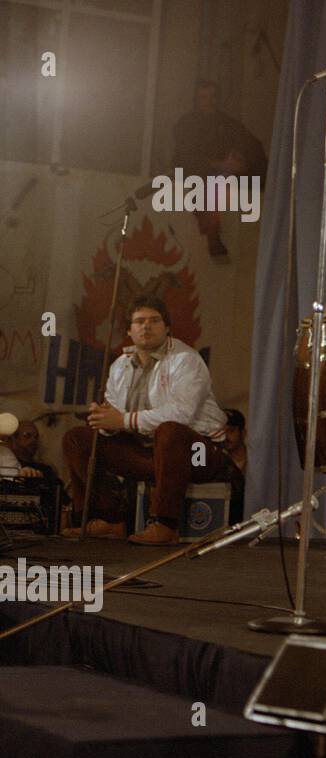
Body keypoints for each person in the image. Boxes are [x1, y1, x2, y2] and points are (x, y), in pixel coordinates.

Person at [62, 296, 232, 545]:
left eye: (154, 321)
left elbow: (182, 414)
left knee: (170, 431)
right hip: (153, 454)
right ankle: (109, 519)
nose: (146, 327)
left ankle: (165, 524)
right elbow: (117, 417)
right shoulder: (120, 365)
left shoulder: (186, 360)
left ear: (167, 327)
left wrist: (123, 420)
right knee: (77, 438)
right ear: (129, 330)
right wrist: (104, 419)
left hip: (199, 453)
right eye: (139, 321)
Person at [171, 80, 267, 260]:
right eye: (204, 97)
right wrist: (218, 164)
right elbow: (186, 156)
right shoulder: (186, 124)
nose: (209, 102)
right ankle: (212, 236)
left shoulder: (230, 124)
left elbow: (252, 146)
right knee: (202, 183)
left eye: (213, 96)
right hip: (196, 173)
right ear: (197, 100)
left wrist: (241, 163)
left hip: (228, 176)